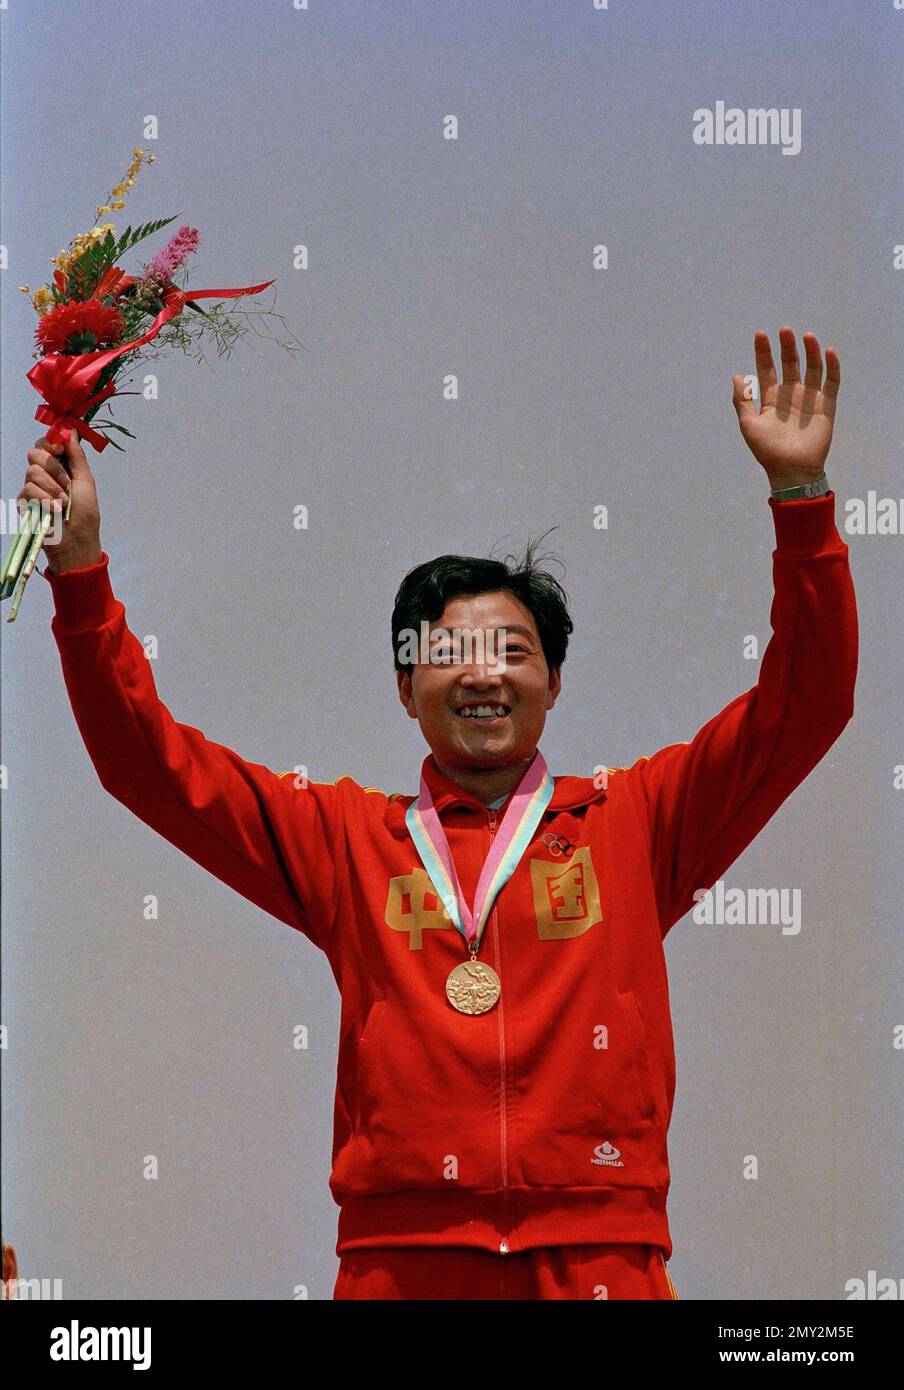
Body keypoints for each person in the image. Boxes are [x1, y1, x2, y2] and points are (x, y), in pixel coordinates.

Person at [20, 326, 857, 1300]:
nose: (482, 674)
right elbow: (149, 766)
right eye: (447, 653)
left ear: (552, 681)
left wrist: (801, 503)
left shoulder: (635, 821)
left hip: (600, 1252)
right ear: (403, 685)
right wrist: (80, 576)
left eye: (511, 649)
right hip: (398, 1261)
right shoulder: (342, 840)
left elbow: (806, 704)